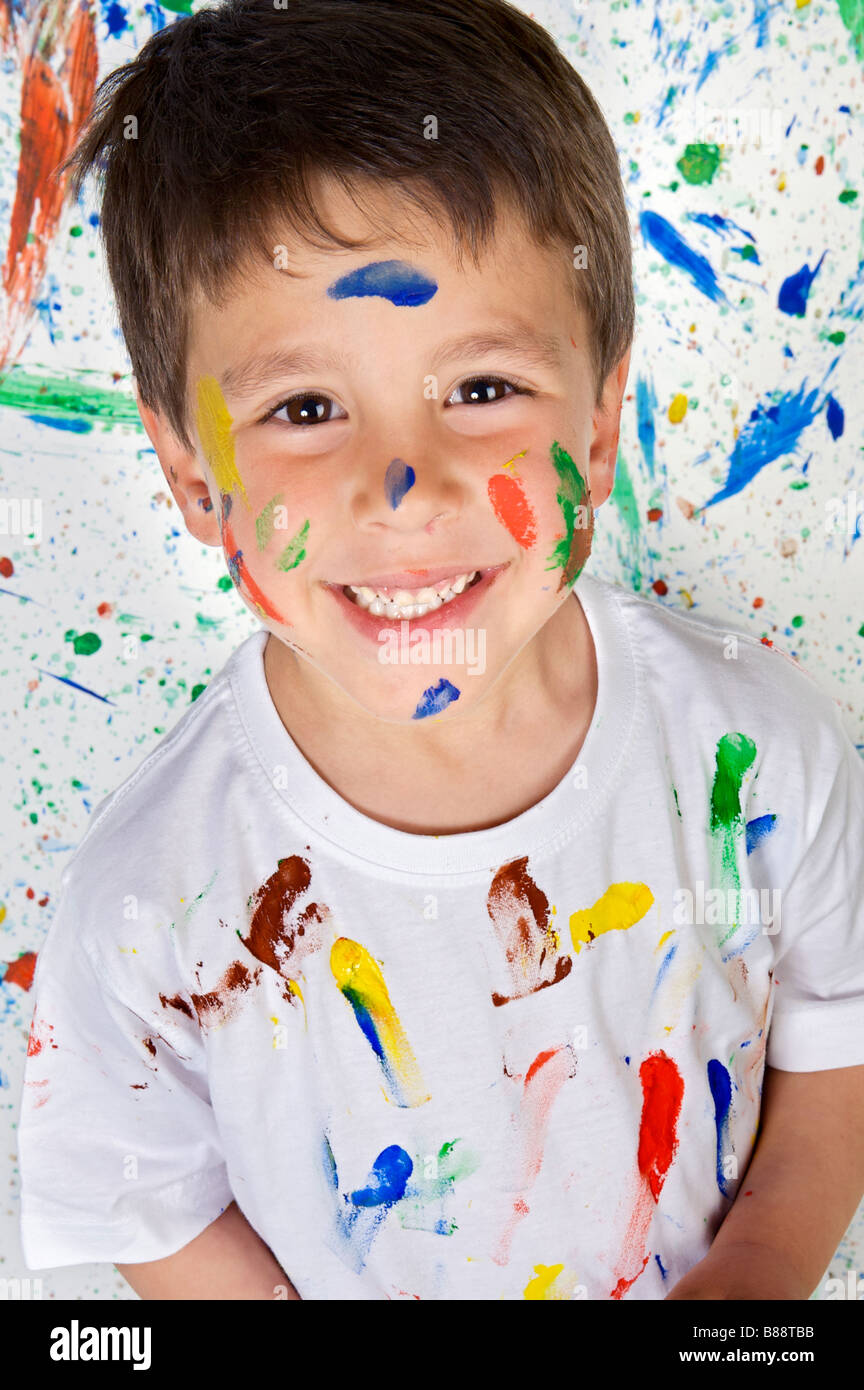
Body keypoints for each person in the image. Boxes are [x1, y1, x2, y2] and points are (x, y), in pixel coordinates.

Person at [17, 0, 864, 1301]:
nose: (401, 487)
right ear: (192, 473)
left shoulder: (760, 762)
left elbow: (837, 1041)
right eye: (305, 408)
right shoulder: (147, 904)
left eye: (482, 389)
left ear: (598, 427)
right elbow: (145, 1201)